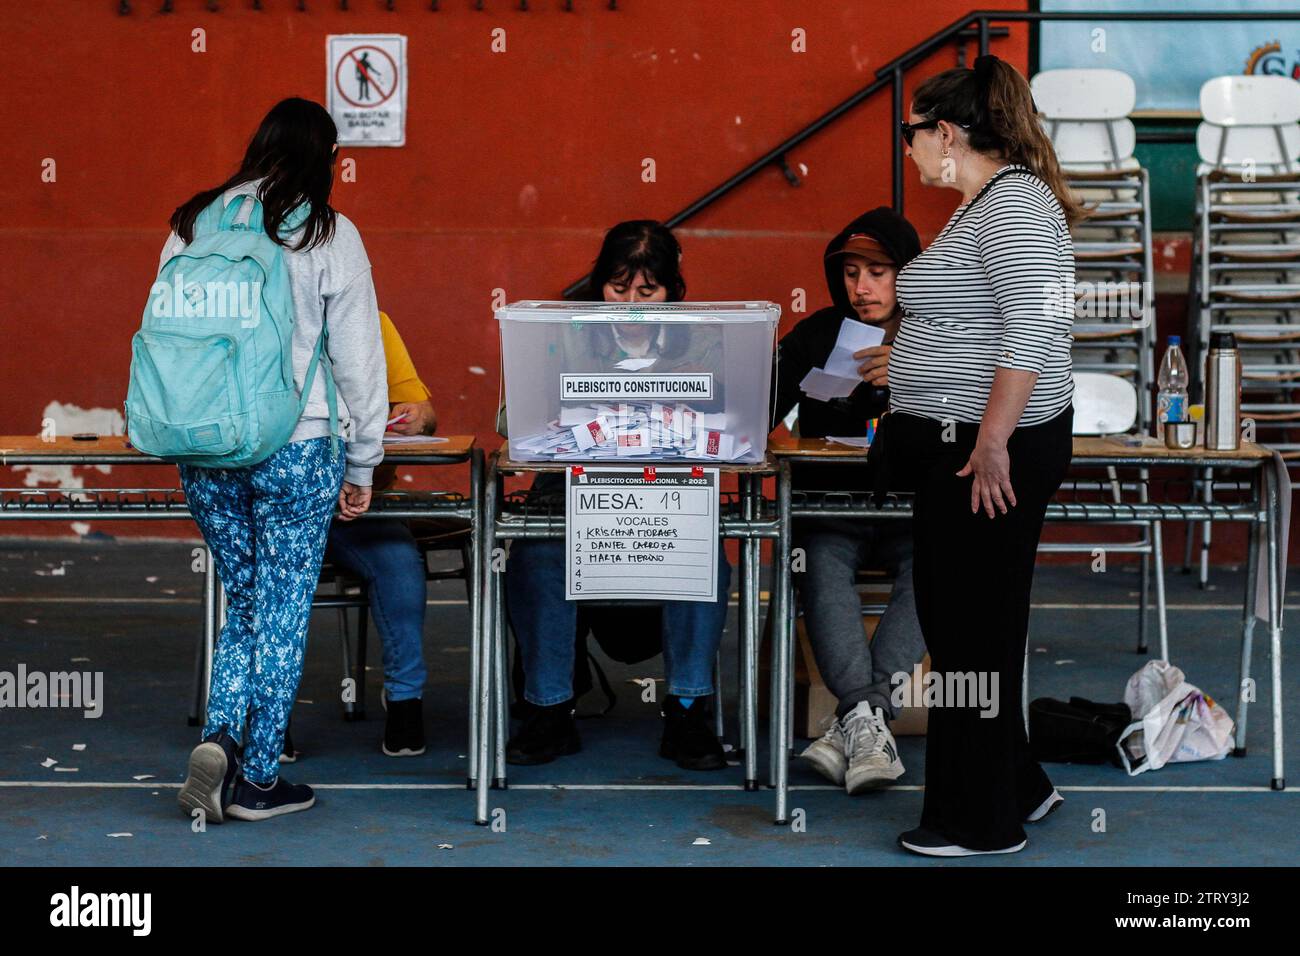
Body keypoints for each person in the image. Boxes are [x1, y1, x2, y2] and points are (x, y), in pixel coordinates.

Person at [879, 53, 1082, 856]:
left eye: (912, 133)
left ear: (950, 133)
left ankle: (977, 822)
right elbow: (978, 317)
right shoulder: (984, 205)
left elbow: (1037, 330)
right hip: (963, 444)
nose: (909, 149)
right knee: (969, 621)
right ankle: (1020, 785)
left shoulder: (1016, 207)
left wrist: (992, 440)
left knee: (970, 631)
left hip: (986, 452)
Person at [174, 98, 386, 823]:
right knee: (286, 608)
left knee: (245, 603)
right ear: (325, 160)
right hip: (298, 444)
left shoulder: (193, 223)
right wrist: (364, 463)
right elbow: (359, 360)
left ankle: (222, 738)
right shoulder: (329, 231)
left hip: (206, 445)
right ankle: (259, 779)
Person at [504, 220, 733, 771]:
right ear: (599, 284)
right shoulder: (561, 330)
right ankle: (549, 710)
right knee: (535, 557)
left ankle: (686, 711)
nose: (630, 304)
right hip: (567, 502)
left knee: (702, 555)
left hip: (667, 500)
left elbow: (733, 415)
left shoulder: (705, 337)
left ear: (673, 292)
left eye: (647, 291)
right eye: (617, 288)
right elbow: (512, 418)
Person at [771, 207, 928, 794]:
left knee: (937, 564)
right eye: (852, 273)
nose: (861, 288)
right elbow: (760, 403)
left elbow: (976, 414)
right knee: (819, 560)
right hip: (832, 510)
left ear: (911, 273)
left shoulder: (938, 333)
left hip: (915, 512)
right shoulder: (818, 332)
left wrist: (913, 373)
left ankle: (859, 719)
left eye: (880, 272)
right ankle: (869, 718)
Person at [322, 312, 439, 758]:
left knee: (399, 564)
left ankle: (406, 699)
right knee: (269, 576)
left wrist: (416, 419)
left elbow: (426, 415)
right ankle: (267, 712)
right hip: (282, 505)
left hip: (359, 508)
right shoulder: (262, 321)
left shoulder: (372, 322)